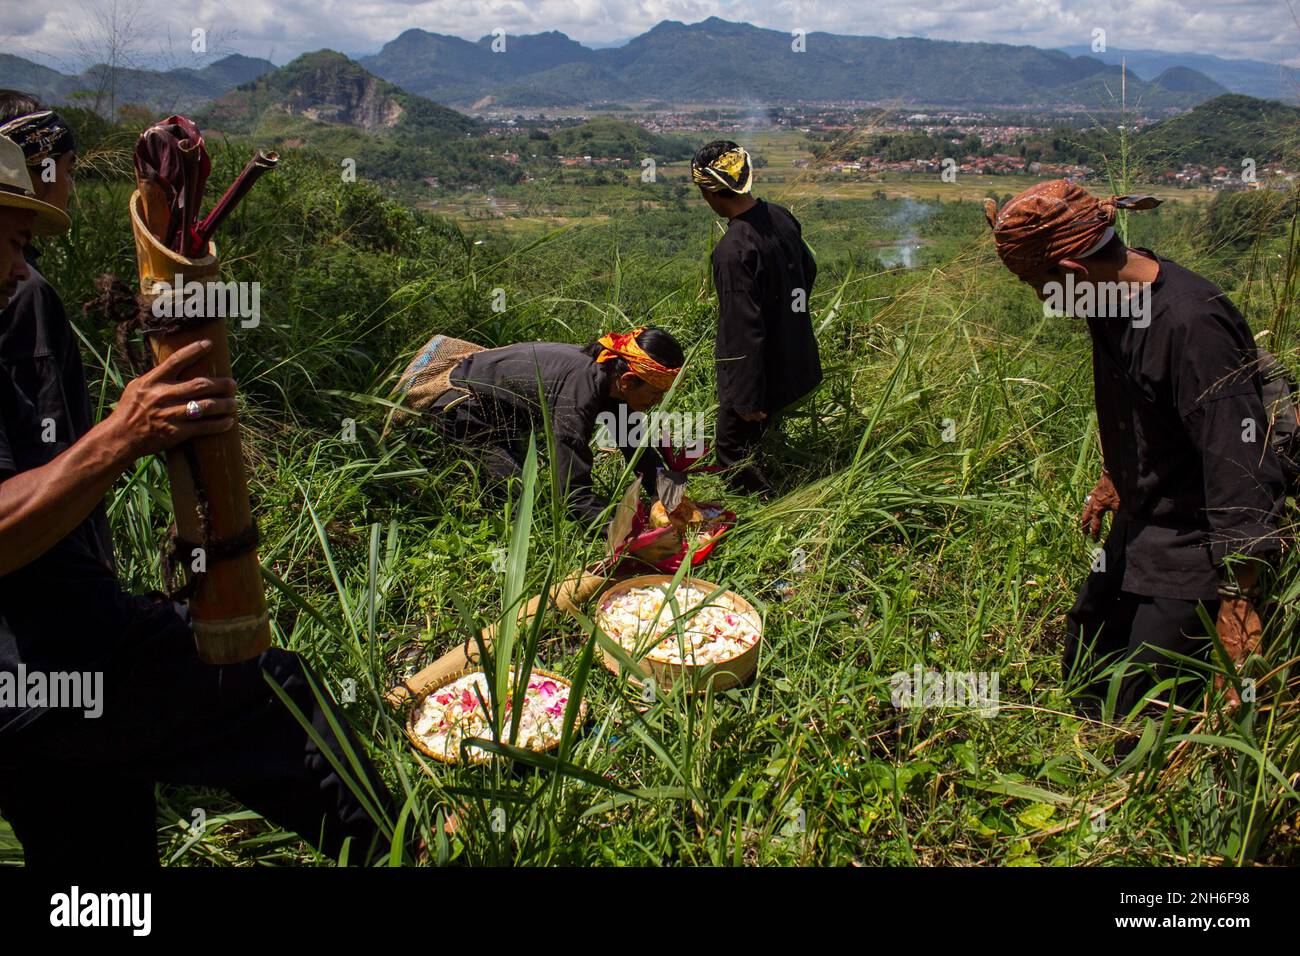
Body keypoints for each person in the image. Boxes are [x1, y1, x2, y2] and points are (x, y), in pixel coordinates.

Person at [0, 104, 405, 867]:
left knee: (99, 866)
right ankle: (414, 853)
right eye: (17, 238)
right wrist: (121, 437)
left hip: (41, 681)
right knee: (272, 696)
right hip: (46, 664)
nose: (23, 267)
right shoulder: (26, 303)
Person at [985, 179, 1285, 719]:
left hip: (1197, 531)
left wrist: (1239, 606)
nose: (1040, 299)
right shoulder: (1108, 295)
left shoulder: (1192, 326)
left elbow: (1239, 461)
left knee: (1144, 703)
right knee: (1086, 658)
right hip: (1146, 508)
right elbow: (1133, 399)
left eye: (1037, 285)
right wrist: (1115, 473)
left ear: (1072, 271)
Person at [428, 327, 684, 528]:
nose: (658, 402)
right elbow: (572, 493)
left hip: (503, 410)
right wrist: (626, 530)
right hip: (462, 408)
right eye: (655, 394)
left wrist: (674, 499)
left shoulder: (608, 376)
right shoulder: (578, 397)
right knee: (522, 503)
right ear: (628, 381)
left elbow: (635, 444)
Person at [691, 140, 821, 495]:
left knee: (732, 452)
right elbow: (806, 272)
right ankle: (778, 485)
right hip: (792, 356)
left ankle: (764, 512)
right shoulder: (781, 216)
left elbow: (742, 328)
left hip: (755, 374)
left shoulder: (733, 251)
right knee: (759, 440)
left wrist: (746, 399)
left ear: (710, 193)